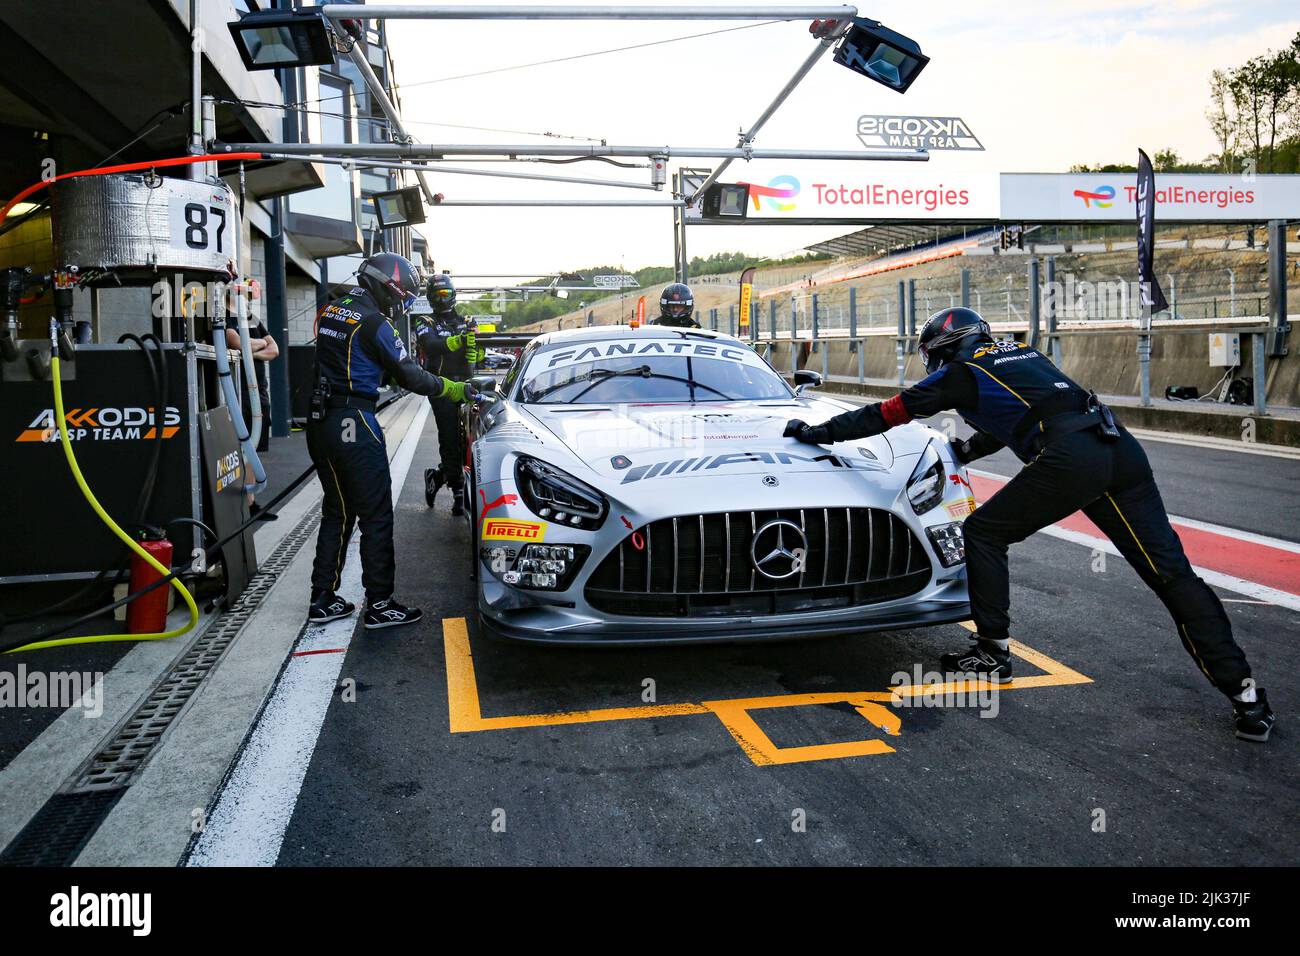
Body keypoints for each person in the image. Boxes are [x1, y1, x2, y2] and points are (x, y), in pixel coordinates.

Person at [784, 307, 1275, 742]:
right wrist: (965, 450)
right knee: (1172, 575)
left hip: (1069, 460)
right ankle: (1246, 696)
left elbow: (885, 414)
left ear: (946, 348)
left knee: (983, 532)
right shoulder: (1025, 355)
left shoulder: (961, 371)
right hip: (1118, 449)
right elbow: (1025, 417)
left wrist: (816, 432)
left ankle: (993, 653)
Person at [307, 252, 477, 630]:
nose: (403, 301)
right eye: (404, 293)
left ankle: (323, 598)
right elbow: (410, 377)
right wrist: (453, 389)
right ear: (390, 285)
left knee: (337, 511)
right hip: (354, 421)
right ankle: (381, 604)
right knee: (377, 514)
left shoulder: (332, 308)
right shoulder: (375, 323)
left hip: (319, 422)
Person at [416, 273, 480, 516]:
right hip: (440, 388)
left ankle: (438, 476)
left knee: (469, 441)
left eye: (446, 294)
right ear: (431, 298)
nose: (442, 300)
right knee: (450, 439)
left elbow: (478, 351)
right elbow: (430, 346)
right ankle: (458, 492)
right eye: (437, 295)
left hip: (467, 385)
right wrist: (459, 341)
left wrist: (476, 352)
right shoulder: (425, 321)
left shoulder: (466, 320)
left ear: (453, 295)